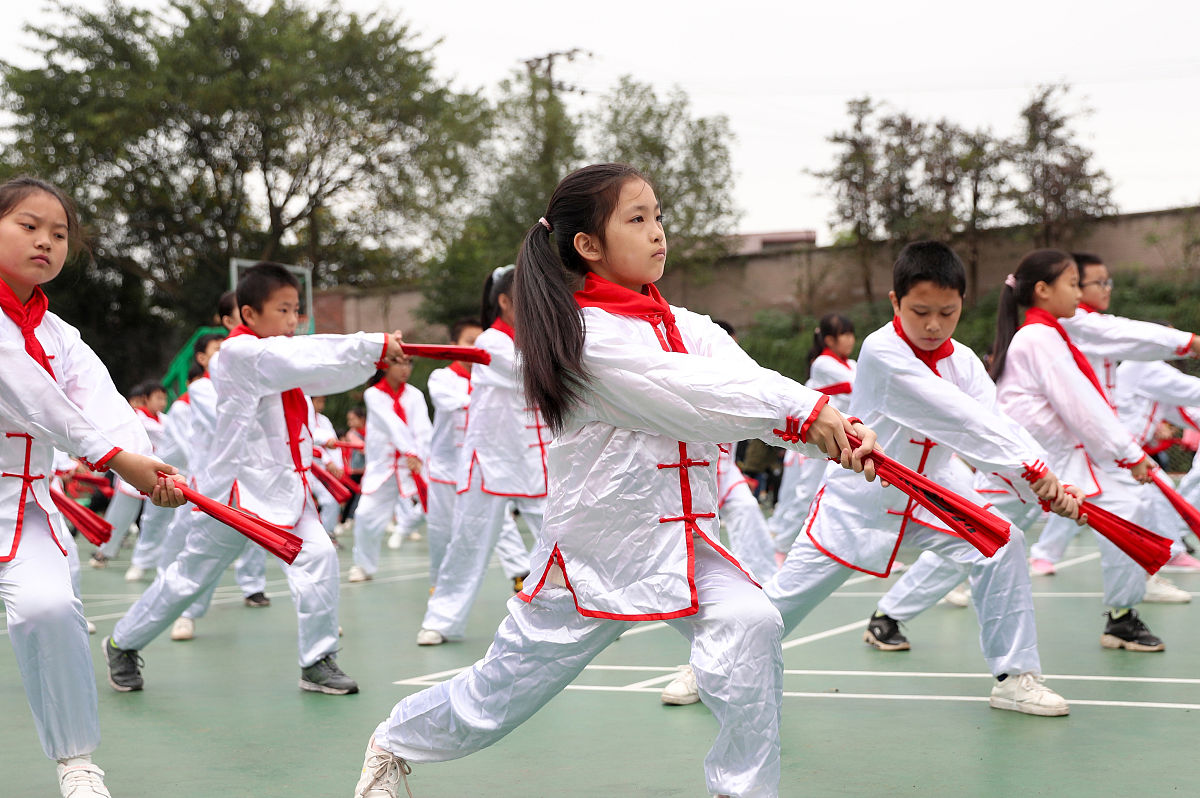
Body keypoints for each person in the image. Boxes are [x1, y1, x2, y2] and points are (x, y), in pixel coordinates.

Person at [352, 163, 879, 798]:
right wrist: (805, 414)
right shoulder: (584, 338)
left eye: (658, 216)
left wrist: (835, 425)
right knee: (498, 695)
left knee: (753, 624)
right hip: (590, 559)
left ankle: (741, 792)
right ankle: (394, 744)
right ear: (588, 246)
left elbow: (748, 380)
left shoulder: (689, 325)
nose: (658, 232)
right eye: (637, 219)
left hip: (684, 545)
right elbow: (689, 393)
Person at [739, 242, 1080, 720]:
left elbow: (993, 420)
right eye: (920, 311)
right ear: (895, 302)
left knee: (1003, 544)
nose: (934, 324)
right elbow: (956, 417)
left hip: (931, 497)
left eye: (948, 311)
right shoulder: (881, 351)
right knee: (785, 601)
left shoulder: (963, 361)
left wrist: (1047, 484)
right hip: (858, 502)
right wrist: (1036, 469)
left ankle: (1015, 677)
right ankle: (715, 664)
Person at [106, 262, 404, 695]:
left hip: (283, 488)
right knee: (189, 578)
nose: (291, 320)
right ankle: (123, 643)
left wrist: (374, 357)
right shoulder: (240, 354)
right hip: (231, 495)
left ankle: (317, 661)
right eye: (282, 310)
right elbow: (306, 356)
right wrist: (373, 345)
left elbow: (323, 371)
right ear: (248, 315)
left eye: (295, 310)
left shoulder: (278, 356)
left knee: (318, 556)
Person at [0, 174, 184, 798]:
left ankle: (76, 764)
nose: (46, 243)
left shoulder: (62, 337)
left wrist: (144, 462)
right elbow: (29, 396)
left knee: (50, 609)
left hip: (25, 511)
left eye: (59, 234)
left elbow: (105, 406)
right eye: (28, 226)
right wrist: (113, 458)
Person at [1028, 252, 1197, 578]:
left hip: (1109, 442)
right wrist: (1188, 342)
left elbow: (1183, 407)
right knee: (1083, 502)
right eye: (1092, 283)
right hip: (1097, 441)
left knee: (1129, 502)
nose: (1105, 288)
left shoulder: (1085, 328)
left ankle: (1155, 567)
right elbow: (1126, 335)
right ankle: (1153, 567)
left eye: (1108, 282)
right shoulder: (1073, 324)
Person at [414, 265, 541, 646]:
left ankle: (583, 607)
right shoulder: (490, 343)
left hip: (535, 459)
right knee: (468, 543)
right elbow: (530, 375)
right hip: (490, 459)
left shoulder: (537, 340)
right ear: (504, 302)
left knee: (562, 536)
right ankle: (442, 619)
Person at [768, 313, 857, 558]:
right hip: (813, 442)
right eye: (843, 334)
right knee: (804, 495)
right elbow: (858, 385)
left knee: (845, 495)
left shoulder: (851, 364)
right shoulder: (823, 363)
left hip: (840, 441)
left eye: (851, 333)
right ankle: (781, 548)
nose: (850, 339)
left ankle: (844, 549)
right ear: (829, 339)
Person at [349, 355, 431, 581]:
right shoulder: (373, 394)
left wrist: (419, 456)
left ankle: (445, 565)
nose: (405, 368)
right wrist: (410, 451)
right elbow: (392, 423)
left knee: (439, 511)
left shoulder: (415, 395)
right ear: (385, 366)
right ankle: (364, 567)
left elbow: (423, 429)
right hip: (383, 469)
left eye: (408, 363)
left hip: (414, 467)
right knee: (365, 515)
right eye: (399, 363)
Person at [88, 381, 168, 568]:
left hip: (157, 477)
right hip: (132, 478)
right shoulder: (137, 418)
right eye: (158, 398)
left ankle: (153, 559)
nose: (162, 402)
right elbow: (166, 433)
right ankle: (102, 552)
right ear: (145, 399)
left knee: (153, 521)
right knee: (119, 517)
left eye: (164, 398)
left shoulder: (165, 419)